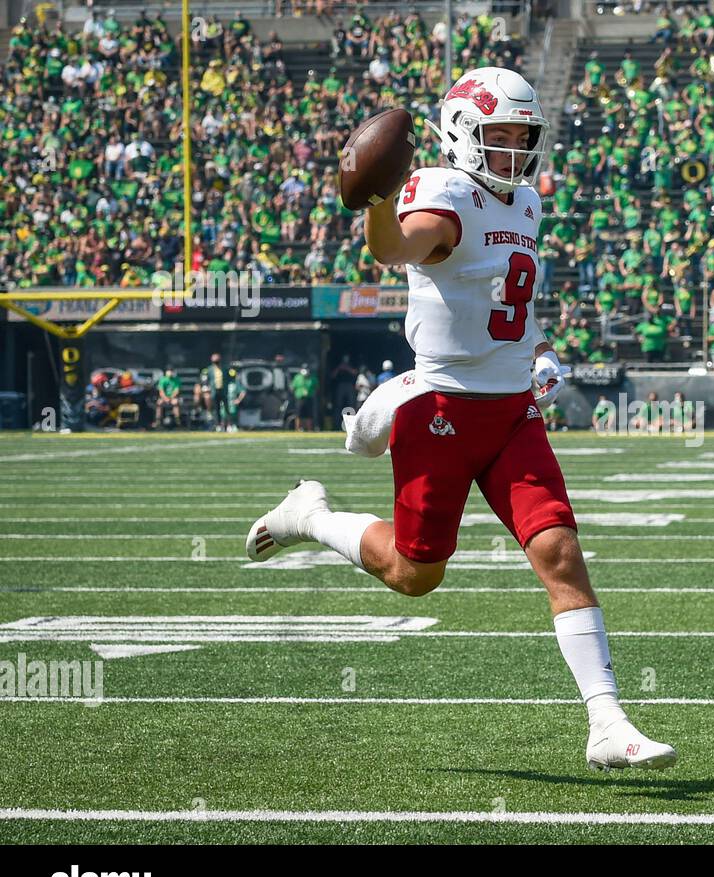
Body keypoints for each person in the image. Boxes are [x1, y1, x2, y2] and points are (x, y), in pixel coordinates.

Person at [243, 67, 675, 772]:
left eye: (521, 136)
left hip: (510, 411)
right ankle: (308, 515)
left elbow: (503, 298)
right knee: (416, 574)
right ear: (462, 135)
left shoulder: (528, 202)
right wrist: (378, 199)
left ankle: (607, 721)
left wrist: (537, 347)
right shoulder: (441, 195)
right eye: (497, 135)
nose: (511, 149)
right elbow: (394, 249)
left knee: (560, 553)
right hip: (440, 407)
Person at [290, 364, 317, 431]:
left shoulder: (313, 378)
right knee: (298, 414)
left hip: (309, 398)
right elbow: (292, 387)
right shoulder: (297, 377)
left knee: (309, 415)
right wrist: (297, 394)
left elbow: (316, 388)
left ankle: (309, 429)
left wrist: (311, 393)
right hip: (299, 399)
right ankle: (298, 429)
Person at [225, 368, 246, 432]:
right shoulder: (225, 383)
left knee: (233, 414)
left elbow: (243, 392)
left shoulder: (236, 383)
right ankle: (225, 426)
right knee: (224, 414)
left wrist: (238, 400)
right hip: (225, 402)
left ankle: (233, 425)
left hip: (232, 402)